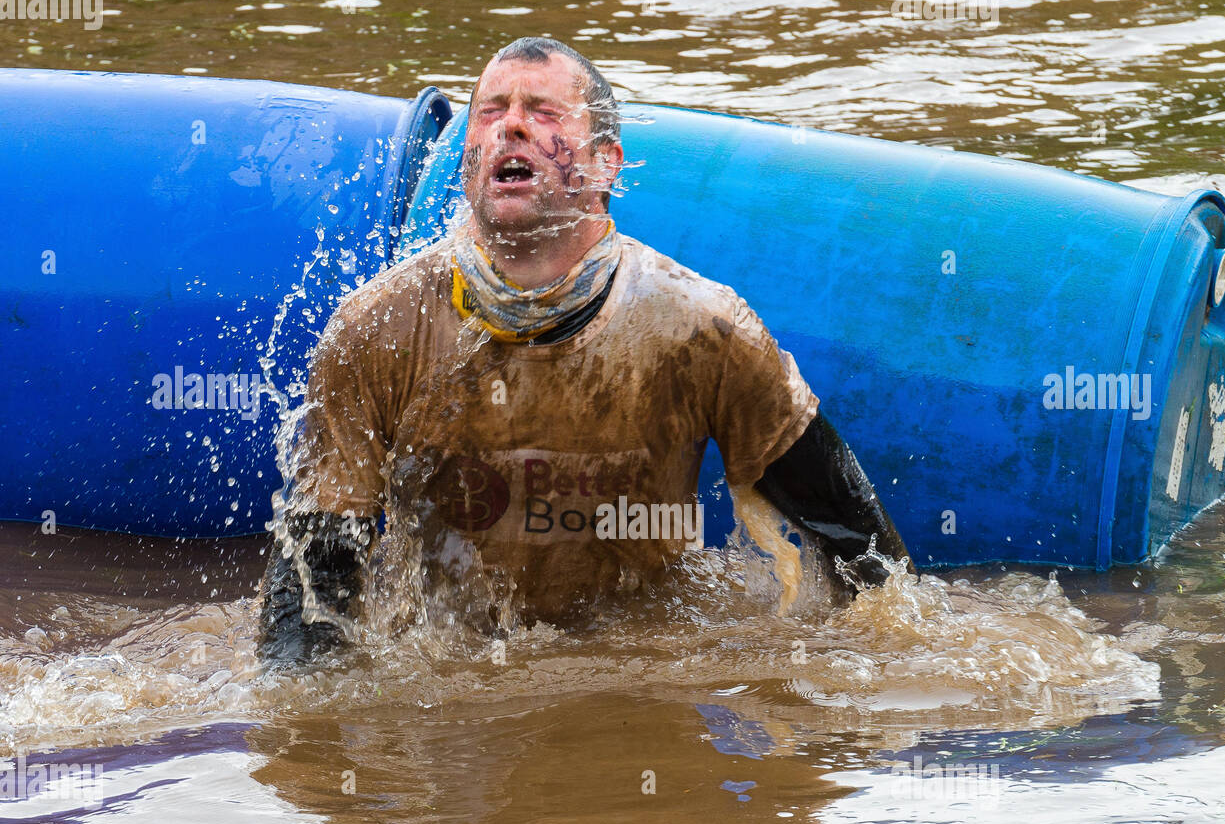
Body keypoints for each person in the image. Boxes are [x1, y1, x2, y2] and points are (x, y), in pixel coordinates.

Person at [259, 37, 909, 665]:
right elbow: (310, 601)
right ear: (465, 161)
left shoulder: (705, 328)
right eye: (490, 112)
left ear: (605, 164)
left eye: (541, 113)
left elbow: (865, 556)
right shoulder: (377, 328)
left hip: (642, 663)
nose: (509, 128)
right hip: (449, 684)